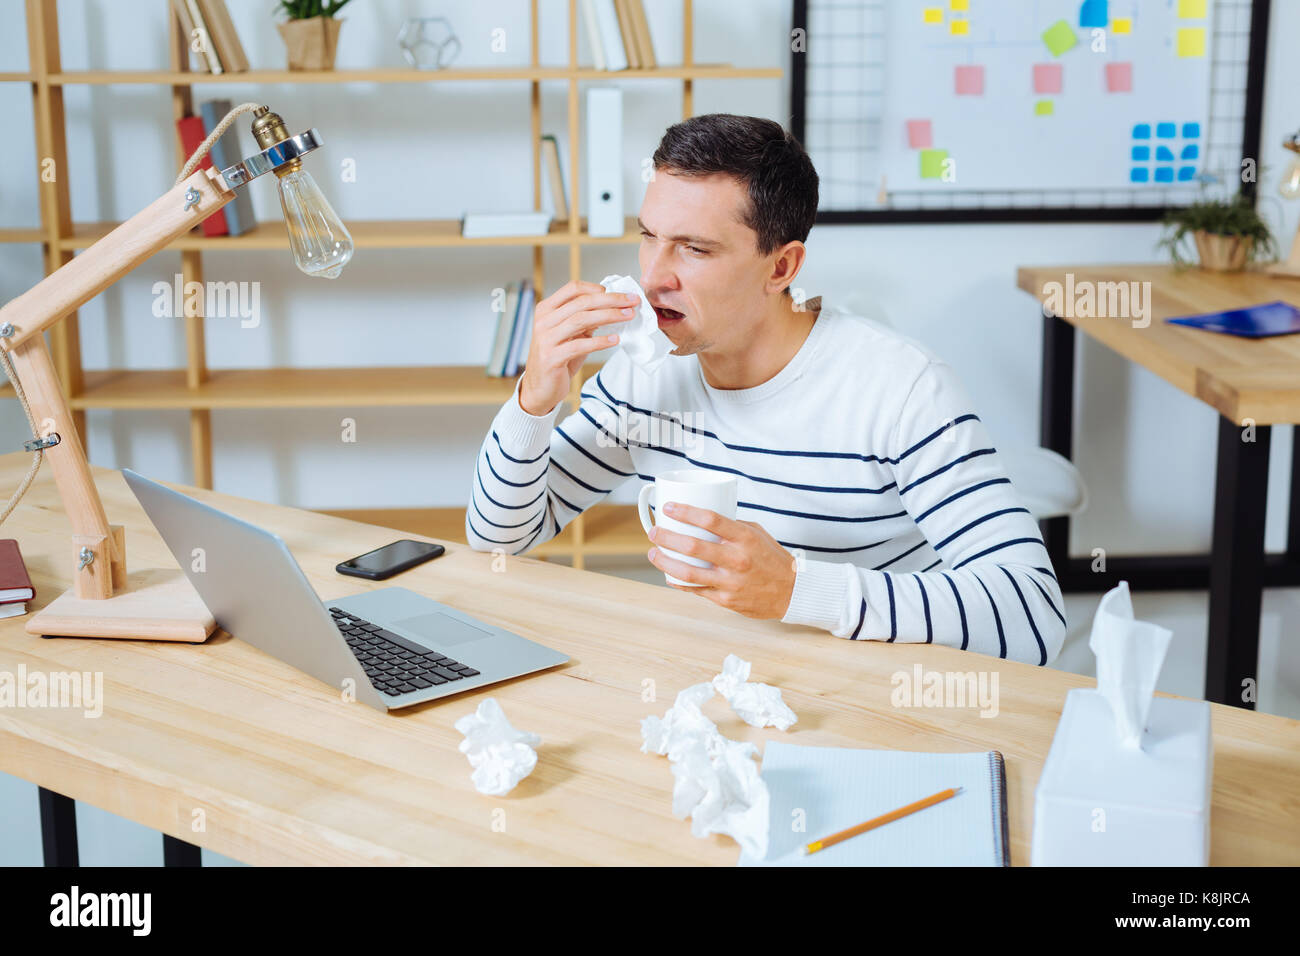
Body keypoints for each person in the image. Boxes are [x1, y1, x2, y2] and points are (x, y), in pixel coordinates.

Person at [466, 113, 1065, 665]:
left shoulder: (902, 389)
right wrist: (534, 400)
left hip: (870, 705)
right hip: (708, 690)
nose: (652, 276)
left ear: (781, 268)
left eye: (694, 249)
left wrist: (799, 589)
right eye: (648, 236)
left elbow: (1034, 617)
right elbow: (499, 538)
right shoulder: (644, 373)